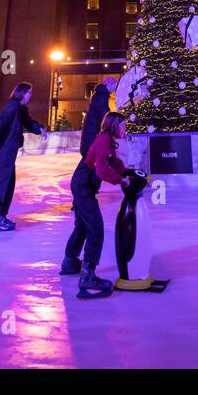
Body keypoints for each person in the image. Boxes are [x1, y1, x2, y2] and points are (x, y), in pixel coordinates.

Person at [61, 111, 129, 297]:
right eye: (123, 125)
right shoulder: (104, 140)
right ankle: (87, 275)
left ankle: (69, 262)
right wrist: (121, 180)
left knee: (83, 226)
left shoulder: (107, 140)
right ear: (115, 125)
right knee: (96, 228)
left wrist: (126, 173)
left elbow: (113, 162)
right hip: (83, 186)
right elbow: (102, 170)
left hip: (83, 185)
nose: (125, 128)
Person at [0, 83, 45, 231]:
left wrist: (39, 128)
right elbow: (1, 121)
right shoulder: (13, 107)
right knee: (6, 185)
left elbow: (28, 122)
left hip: (4, 152)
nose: (30, 96)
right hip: (3, 153)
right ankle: (1, 219)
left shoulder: (19, 109)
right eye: (28, 93)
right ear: (21, 93)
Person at [80, 77, 118, 157]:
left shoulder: (99, 94)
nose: (114, 89)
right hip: (92, 135)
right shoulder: (102, 96)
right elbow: (106, 115)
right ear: (109, 85)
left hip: (91, 134)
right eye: (114, 86)